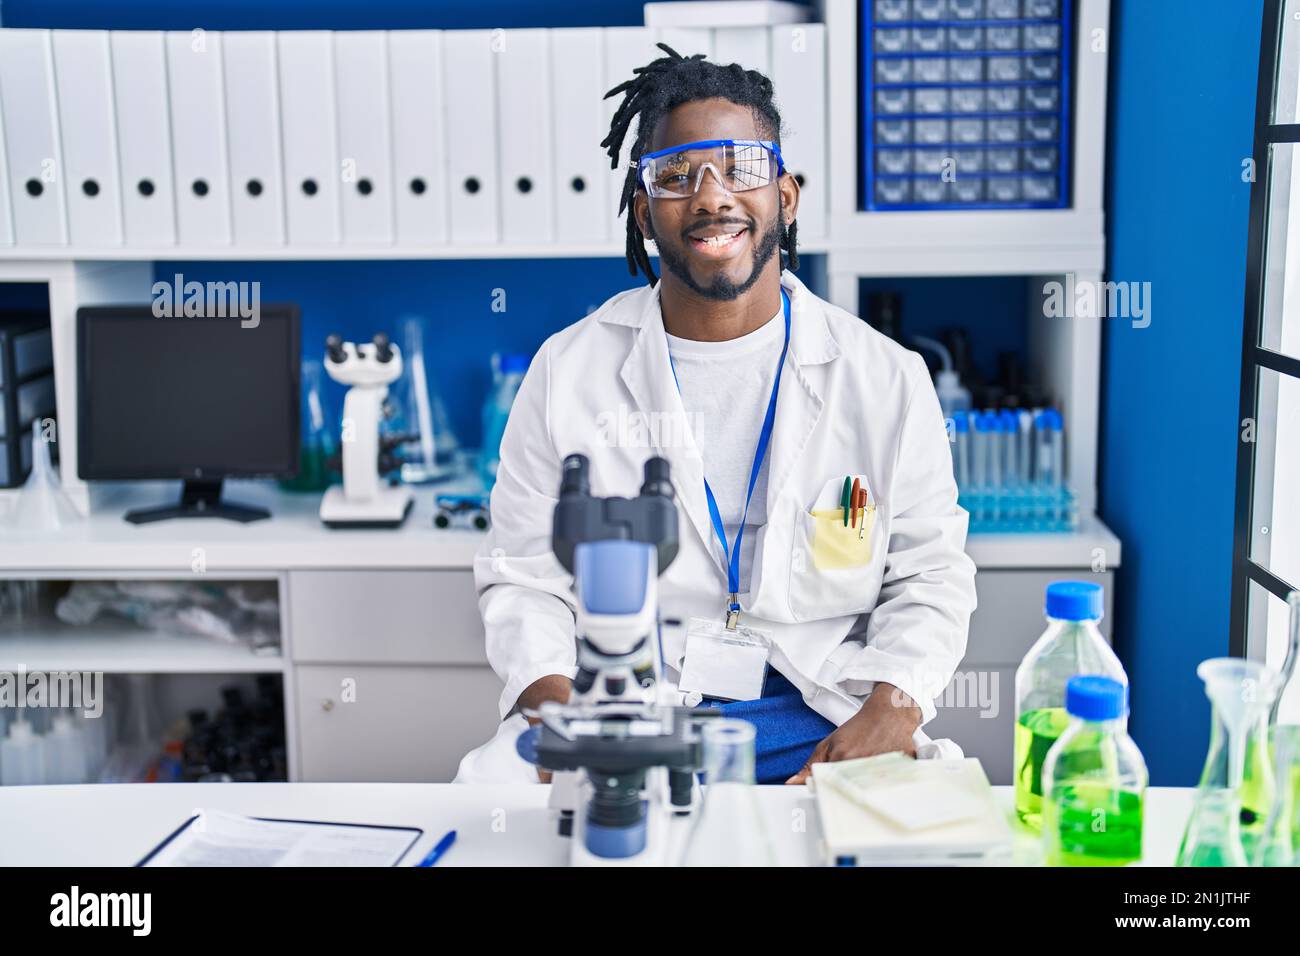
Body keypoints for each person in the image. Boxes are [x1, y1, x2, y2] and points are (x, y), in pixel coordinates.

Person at [455, 45, 976, 785]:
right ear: (643, 213)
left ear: (786, 198)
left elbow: (929, 574)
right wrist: (557, 709)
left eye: (741, 170)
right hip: (626, 715)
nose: (710, 197)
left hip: (820, 711)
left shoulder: (884, 377)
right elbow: (524, 579)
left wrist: (893, 706)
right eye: (676, 176)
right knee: (487, 821)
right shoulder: (566, 372)